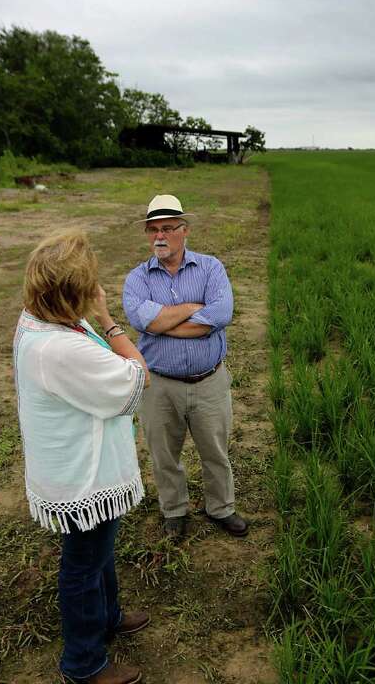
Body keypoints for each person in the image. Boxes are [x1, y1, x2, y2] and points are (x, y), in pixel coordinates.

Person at [13, 228, 151, 684]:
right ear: (73, 293)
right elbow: (137, 375)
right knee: (83, 565)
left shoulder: (43, 320)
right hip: (82, 478)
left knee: (98, 554)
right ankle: (84, 662)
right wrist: (107, 318)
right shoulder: (61, 347)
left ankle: (109, 617)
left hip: (76, 468)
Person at [122, 194, 247, 542]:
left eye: (167, 228)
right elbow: (142, 320)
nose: (159, 236)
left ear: (184, 230)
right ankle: (174, 510)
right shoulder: (137, 279)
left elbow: (220, 314)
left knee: (215, 451)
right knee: (164, 454)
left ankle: (221, 507)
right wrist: (194, 309)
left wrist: (162, 323)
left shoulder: (211, 268)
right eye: (153, 230)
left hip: (209, 381)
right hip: (159, 384)